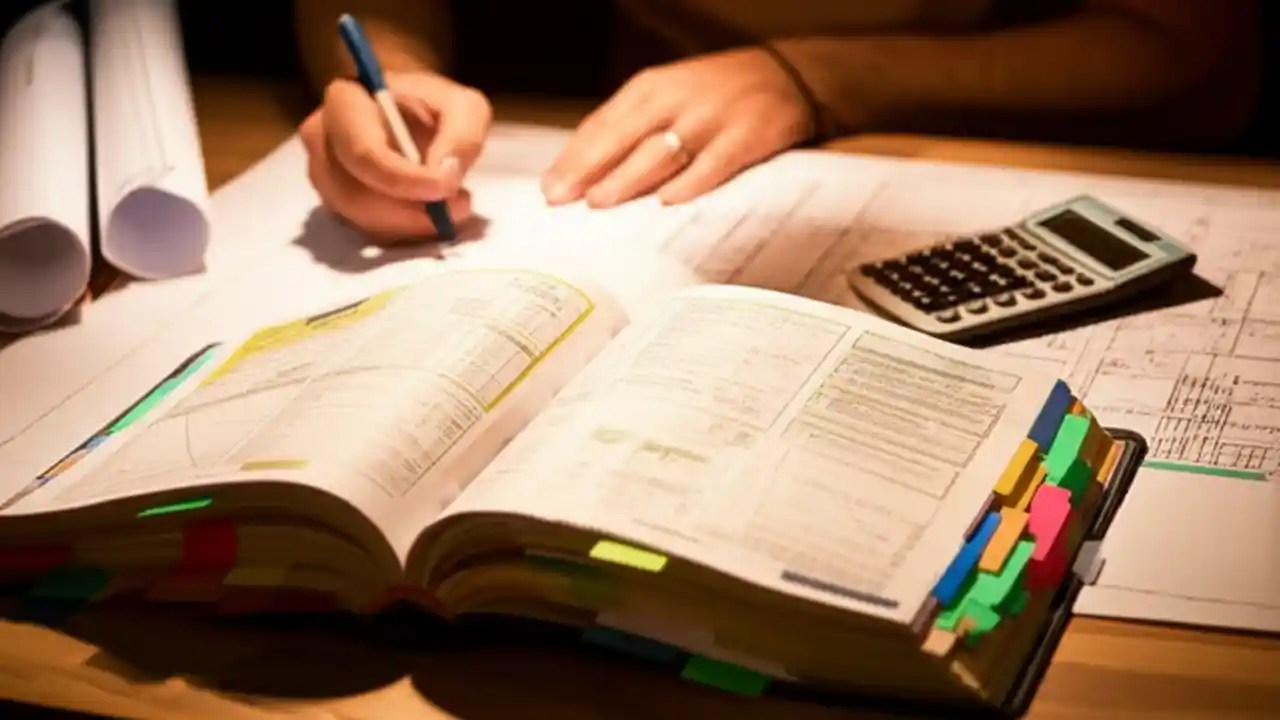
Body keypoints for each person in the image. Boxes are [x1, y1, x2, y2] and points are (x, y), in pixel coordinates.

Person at [294, 0, 1260, 243]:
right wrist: (388, 78)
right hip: (639, 126)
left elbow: (1185, 46)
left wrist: (821, 75)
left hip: (980, 122)